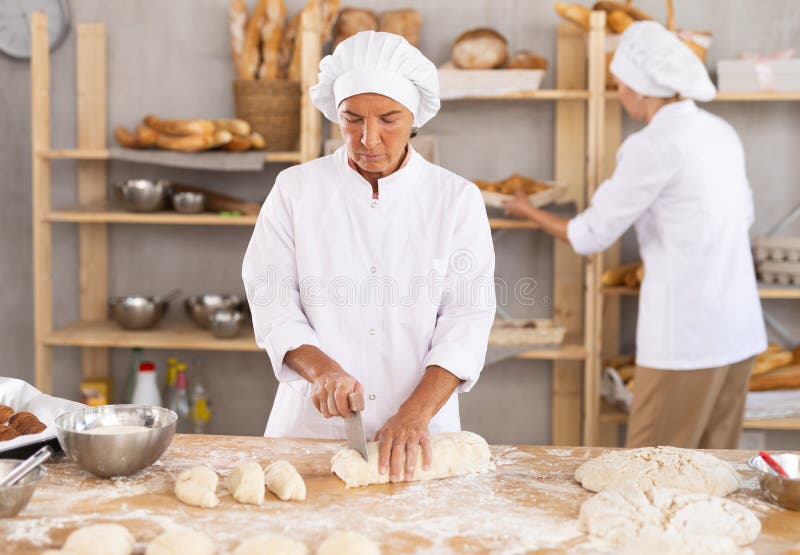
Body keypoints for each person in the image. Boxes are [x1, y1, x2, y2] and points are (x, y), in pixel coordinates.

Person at [242, 31, 496, 481]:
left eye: (388, 119)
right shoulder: (296, 190)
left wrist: (415, 413)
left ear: (414, 115)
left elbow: (467, 319)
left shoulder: (455, 198)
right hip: (311, 431)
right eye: (352, 119)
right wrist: (322, 372)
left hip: (424, 433)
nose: (368, 138)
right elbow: (272, 300)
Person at [503, 21, 766, 449]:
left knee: (650, 468)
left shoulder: (652, 145)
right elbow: (742, 216)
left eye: (620, 84)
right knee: (716, 473)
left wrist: (527, 210)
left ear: (642, 89)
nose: (617, 93)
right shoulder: (721, 132)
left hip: (686, 336)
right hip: (738, 331)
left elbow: (589, 235)